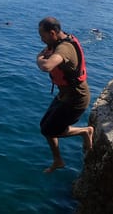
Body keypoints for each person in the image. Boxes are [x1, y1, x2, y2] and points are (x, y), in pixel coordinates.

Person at [36, 17, 94, 173]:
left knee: (50, 130)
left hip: (77, 99)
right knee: (44, 127)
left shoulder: (64, 49)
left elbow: (47, 66)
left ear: (53, 33)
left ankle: (85, 131)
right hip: (65, 95)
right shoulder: (59, 40)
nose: (41, 40)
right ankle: (58, 161)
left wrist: (39, 59)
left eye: (43, 36)